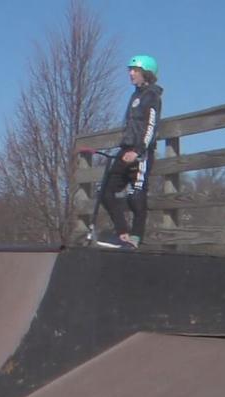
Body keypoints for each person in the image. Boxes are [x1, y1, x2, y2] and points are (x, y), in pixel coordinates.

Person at [96, 54, 163, 250]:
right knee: (105, 191)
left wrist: (138, 151)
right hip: (126, 148)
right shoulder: (135, 96)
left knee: (136, 194)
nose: (131, 73)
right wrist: (125, 147)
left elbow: (151, 126)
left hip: (140, 152)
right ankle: (122, 233)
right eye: (130, 70)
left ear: (146, 73)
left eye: (135, 70)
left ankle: (136, 236)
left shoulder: (152, 96)